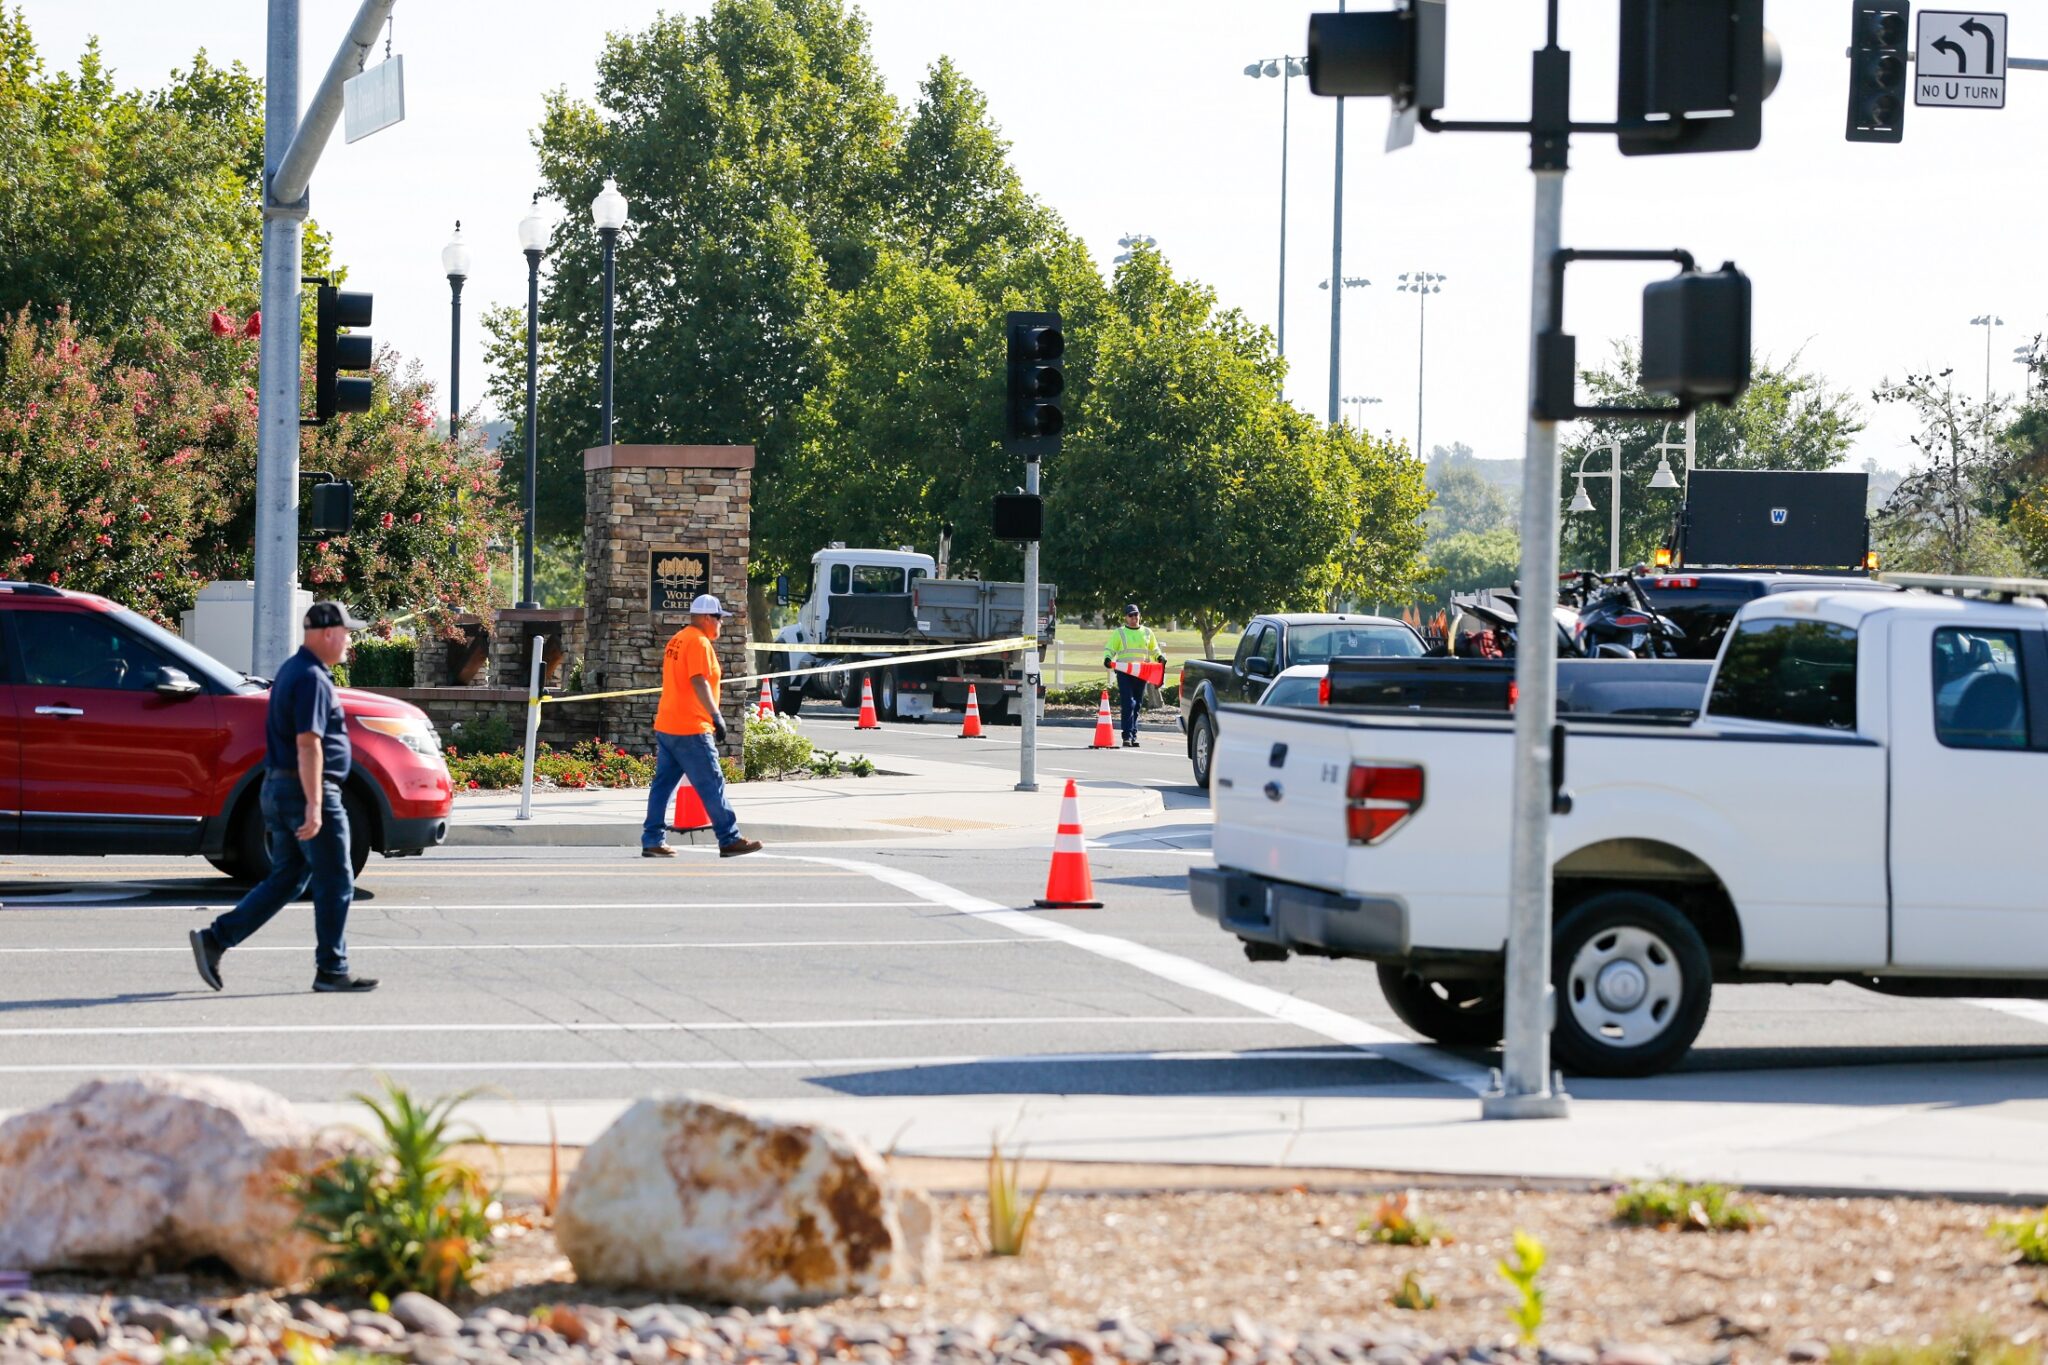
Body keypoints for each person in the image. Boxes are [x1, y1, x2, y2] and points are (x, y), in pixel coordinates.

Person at [189, 602, 378, 994]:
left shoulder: (295, 670)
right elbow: (308, 743)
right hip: (307, 789)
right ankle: (331, 969)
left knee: (290, 878)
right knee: (336, 879)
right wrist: (314, 804)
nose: (348, 641)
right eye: (346, 633)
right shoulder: (311, 678)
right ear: (328, 633)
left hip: (279, 786)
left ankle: (215, 939)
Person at [642, 593, 762, 859]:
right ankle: (729, 838)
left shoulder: (678, 639)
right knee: (712, 782)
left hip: (668, 724)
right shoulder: (699, 643)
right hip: (691, 727)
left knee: (662, 786)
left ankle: (652, 839)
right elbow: (698, 680)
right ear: (707, 618)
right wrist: (715, 715)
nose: (721, 623)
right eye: (719, 618)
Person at [1103, 602, 1167, 749]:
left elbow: (1154, 649)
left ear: (1139, 616)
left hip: (1141, 672)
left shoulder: (1147, 632)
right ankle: (1126, 736)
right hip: (1125, 672)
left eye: (1136, 615)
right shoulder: (1119, 633)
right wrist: (1107, 658)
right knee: (1128, 703)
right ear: (1126, 618)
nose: (1133, 618)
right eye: (1130, 615)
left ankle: (1133, 735)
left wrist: (1159, 658)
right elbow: (1110, 648)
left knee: (1137, 704)